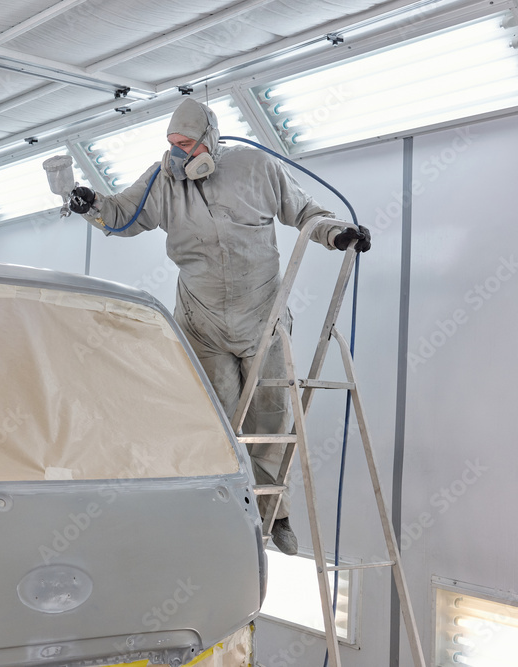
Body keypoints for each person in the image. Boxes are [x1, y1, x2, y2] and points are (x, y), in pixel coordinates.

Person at [67, 98, 371, 555]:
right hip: (201, 319)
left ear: (209, 139)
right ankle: (227, 512)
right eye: (172, 145)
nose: (178, 154)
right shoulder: (163, 180)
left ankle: (275, 514)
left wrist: (337, 234)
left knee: (270, 416)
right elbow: (120, 217)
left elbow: (307, 212)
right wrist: (89, 204)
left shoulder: (255, 167)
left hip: (261, 315)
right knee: (217, 418)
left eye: (186, 144)